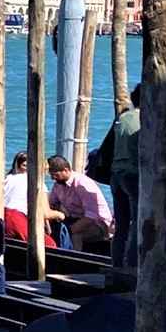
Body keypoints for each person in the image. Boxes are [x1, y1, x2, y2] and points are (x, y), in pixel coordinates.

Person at [104, 86, 142, 267]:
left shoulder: (122, 117)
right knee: (137, 222)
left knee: (122, 224)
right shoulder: (147, 119)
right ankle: (134, 264)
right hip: (133, 174)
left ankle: (117, 263)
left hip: (116, 174)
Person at [47, 154, 113, 249]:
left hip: (98, 224)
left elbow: (92, 215)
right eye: (51, 175)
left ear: (66, 170)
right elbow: (52, 203)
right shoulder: (58, 184)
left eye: (55, 175)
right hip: (74, 218)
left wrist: (70, 229)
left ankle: (75, 258)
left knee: (75, 234)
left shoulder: (82, 184)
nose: (53, 178)